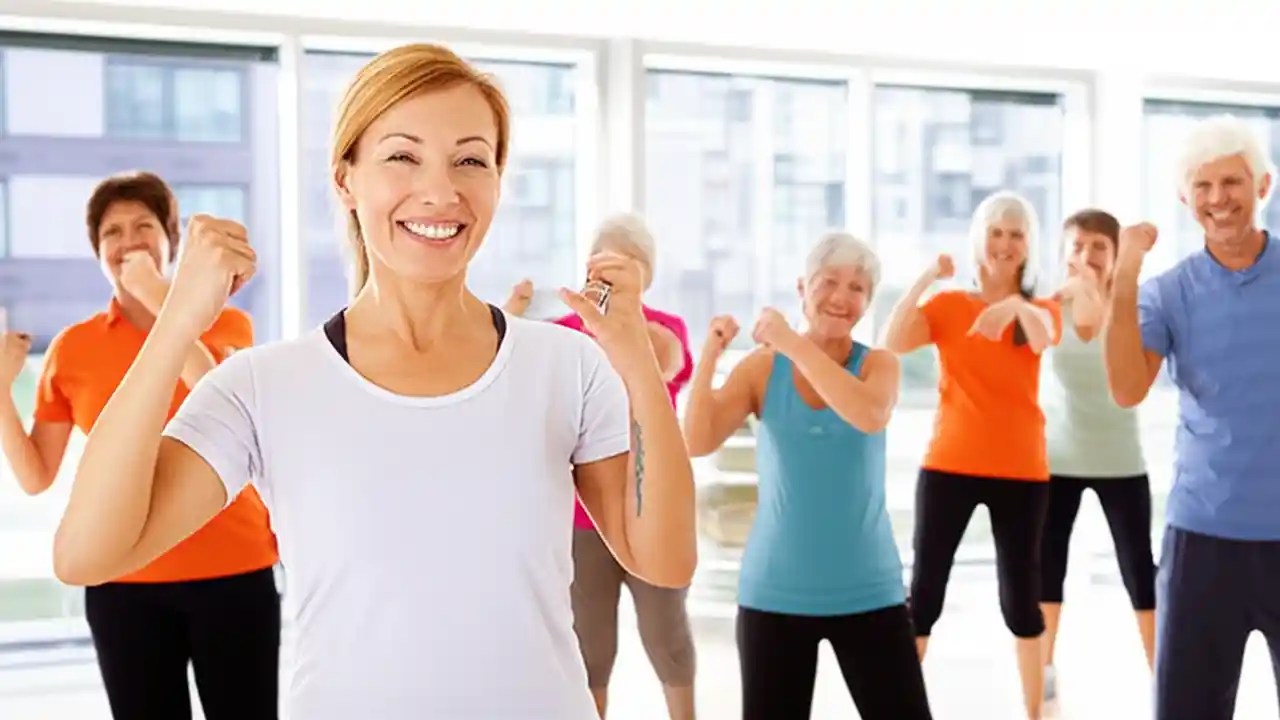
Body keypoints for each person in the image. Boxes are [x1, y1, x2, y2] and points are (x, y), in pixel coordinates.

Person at [47, 44, 696, 720]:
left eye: (471, 160)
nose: (441, 192)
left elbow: (666, 560)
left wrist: (636, 364)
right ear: (345, 179)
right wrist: (175, 320)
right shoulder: (266, 386)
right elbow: (86, 554)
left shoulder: (566, 365)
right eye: (403, 156)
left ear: (498, 182)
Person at [0, 171, 280, 720]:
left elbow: (214, 390)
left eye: (143, 227)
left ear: (171, 241)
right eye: (112, 232)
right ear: (97, 252)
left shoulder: (228, 323)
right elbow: (36, 475)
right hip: (122, 581)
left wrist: (158, 298)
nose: (128, 241)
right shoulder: (73, 348)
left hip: (234, 569)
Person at [684, 232, 932, 720]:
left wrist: (793, 343)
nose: (841, 296)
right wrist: (710, 355)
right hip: (775, 592)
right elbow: (697, 439)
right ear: (802, 287)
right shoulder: (762, 368)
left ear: (868, 302)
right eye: (829, 281)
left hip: (869, 590)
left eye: (857, 287)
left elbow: (868, 415)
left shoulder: (878, 365)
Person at [1105, 115, 1280, 720]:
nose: (1218, 199)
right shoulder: (1167, 292)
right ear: (1185, 198)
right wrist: (1125, 275)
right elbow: (1126, 388)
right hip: (1202, 542)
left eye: (1232, 182)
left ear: (1263, 186)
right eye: (1202, 186)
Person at [505, 213, 697, 720]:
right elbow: (512, 369)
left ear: (645, 274)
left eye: (625, 265)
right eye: (602, 264)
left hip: (650, 506)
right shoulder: (562, 334)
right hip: (580, 518)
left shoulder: (664, 331)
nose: (609, 276)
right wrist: (516, 312)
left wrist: (621, 325)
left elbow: (663, 364)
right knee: (590, 647)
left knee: (667, 637)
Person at [883, 190, 1061, 720]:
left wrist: (1010, 306)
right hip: (949, 465)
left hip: (1021, 471)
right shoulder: (949, 307)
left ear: (1029, 245)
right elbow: (892, 341)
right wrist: (926, 278)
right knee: (925, 596)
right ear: (979, 240)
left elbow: (1043, 338)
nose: (1005, 244)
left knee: (1021, 603)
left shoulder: (1040, 309)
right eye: (996, 232)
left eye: (1016, 234)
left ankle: (1037, 712)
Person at [1038, 209, 1155, 701]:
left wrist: (1107, 291)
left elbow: (1133, 371)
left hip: (1120, 458)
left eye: (1099, 247)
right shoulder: (1049, 307)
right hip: (1058, 459)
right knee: (1048, 567)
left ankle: (1161, 667)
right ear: (1064, 253)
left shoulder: (1131, 308)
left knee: (1139, 569)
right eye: (1078, 246)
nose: (1087, 255)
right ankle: (1043, 667)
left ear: (1115, 255)